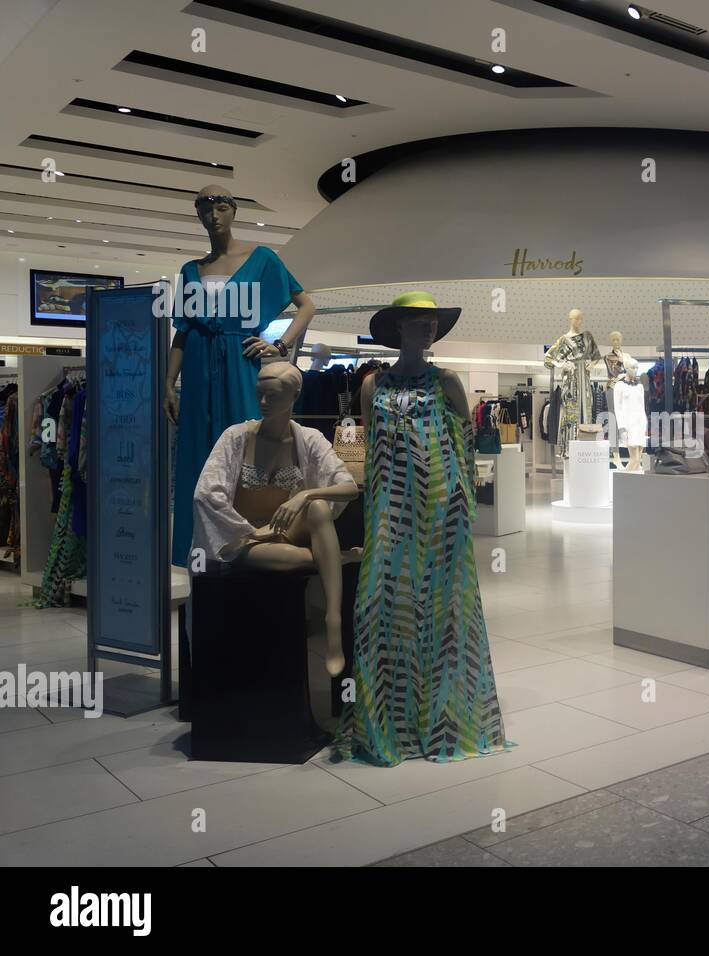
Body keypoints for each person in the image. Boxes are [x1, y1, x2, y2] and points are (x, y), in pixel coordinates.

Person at [333, 292, 512, 767]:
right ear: (399, 330)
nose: (428, 330)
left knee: (444, 608)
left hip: (440, 508)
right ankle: (388, 722)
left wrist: (461, 506)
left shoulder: (447, 381)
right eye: (418, 323)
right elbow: (373, 451)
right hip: (390, 509)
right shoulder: (374, 385)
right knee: (382, 604)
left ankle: (447, 721)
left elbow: (465, 444)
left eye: (432, 322)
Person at [165, 185, 316, 568]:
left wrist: (280, 345)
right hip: (198, 369)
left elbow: (306, 304)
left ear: (233, 211)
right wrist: (168, 383)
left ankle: (252, 539)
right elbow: (182, 331)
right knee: (198, 456)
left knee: (247, 451)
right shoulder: (189, 271)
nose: (213, 213)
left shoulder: (262, 260)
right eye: (204, 206)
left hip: (239, 363)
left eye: (221, 205)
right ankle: (198, 548)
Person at [192, 363, 359, 677]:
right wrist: (249, 533)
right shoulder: (236, 437)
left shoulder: (307, 438)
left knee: (319, 507)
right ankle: (332, 559)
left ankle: (333, 622)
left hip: (288, 530)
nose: (264, 402)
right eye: (260, 394)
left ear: (295, 394)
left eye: (273, 394)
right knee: (282, 556)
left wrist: (304, 496)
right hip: (246, 538)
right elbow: (205, 494)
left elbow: (348, 487)